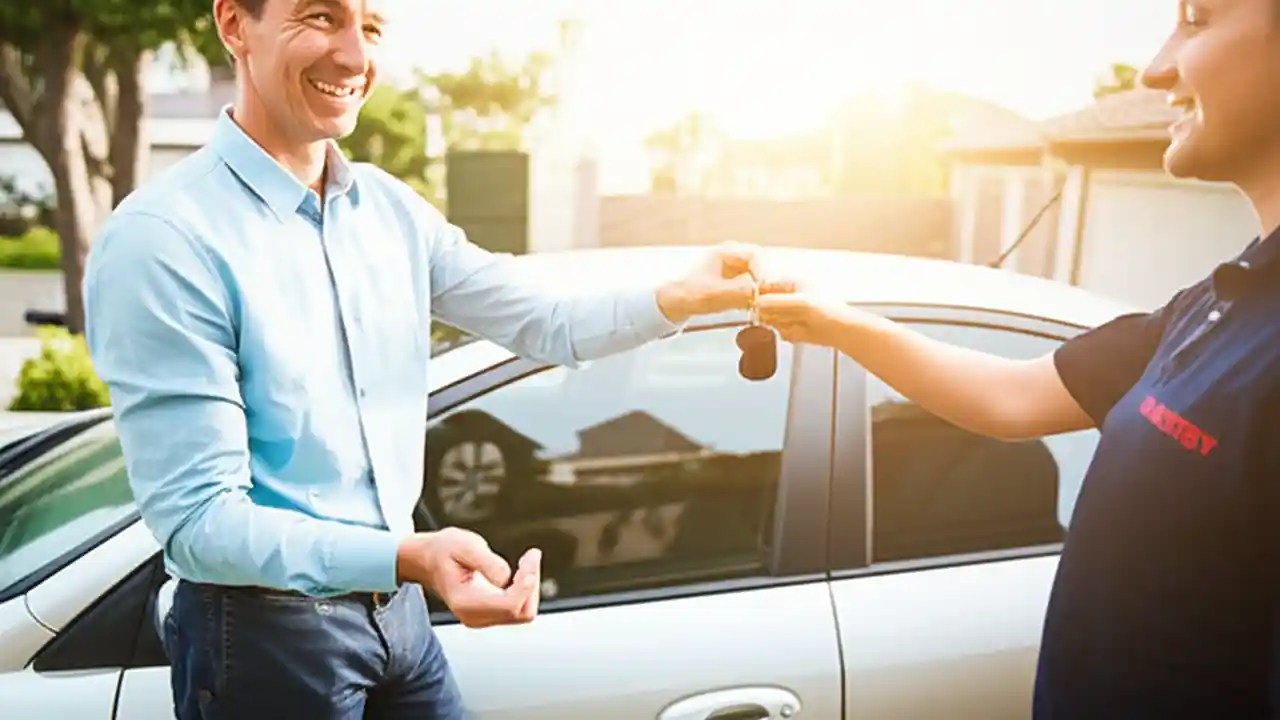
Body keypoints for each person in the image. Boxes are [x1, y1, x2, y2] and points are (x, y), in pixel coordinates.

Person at [81, 0, 763, 718]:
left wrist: (679, 298)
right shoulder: (163, 239)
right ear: (233, 24)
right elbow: (202, 522)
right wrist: (408, 556)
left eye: (370, 28)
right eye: (319, 17)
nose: (353, 57)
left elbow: (548, 320)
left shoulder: (388, 210)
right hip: (261, 636)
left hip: (401, 617)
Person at [755, 0, 1280, 716]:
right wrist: (838, 325)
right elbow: (1013, 399)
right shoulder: (1217, 304)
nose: (1155, 69)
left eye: (1197, 19)